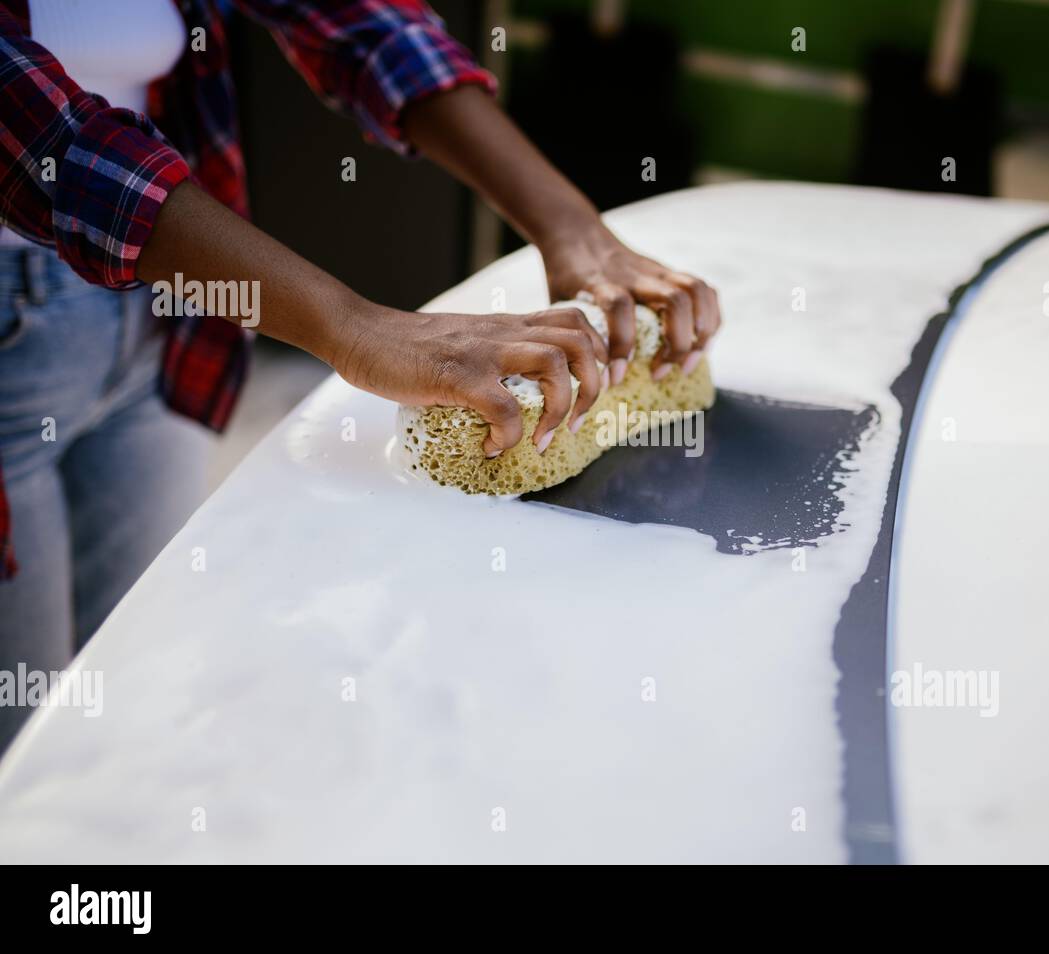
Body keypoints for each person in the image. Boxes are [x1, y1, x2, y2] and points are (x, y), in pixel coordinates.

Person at [0, 0, 721, 750]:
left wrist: (570, 226)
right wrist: (352, 325)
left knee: (131, 664)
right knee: (24, 734)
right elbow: (41, 139)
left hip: (171, 295)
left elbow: (358, 21)